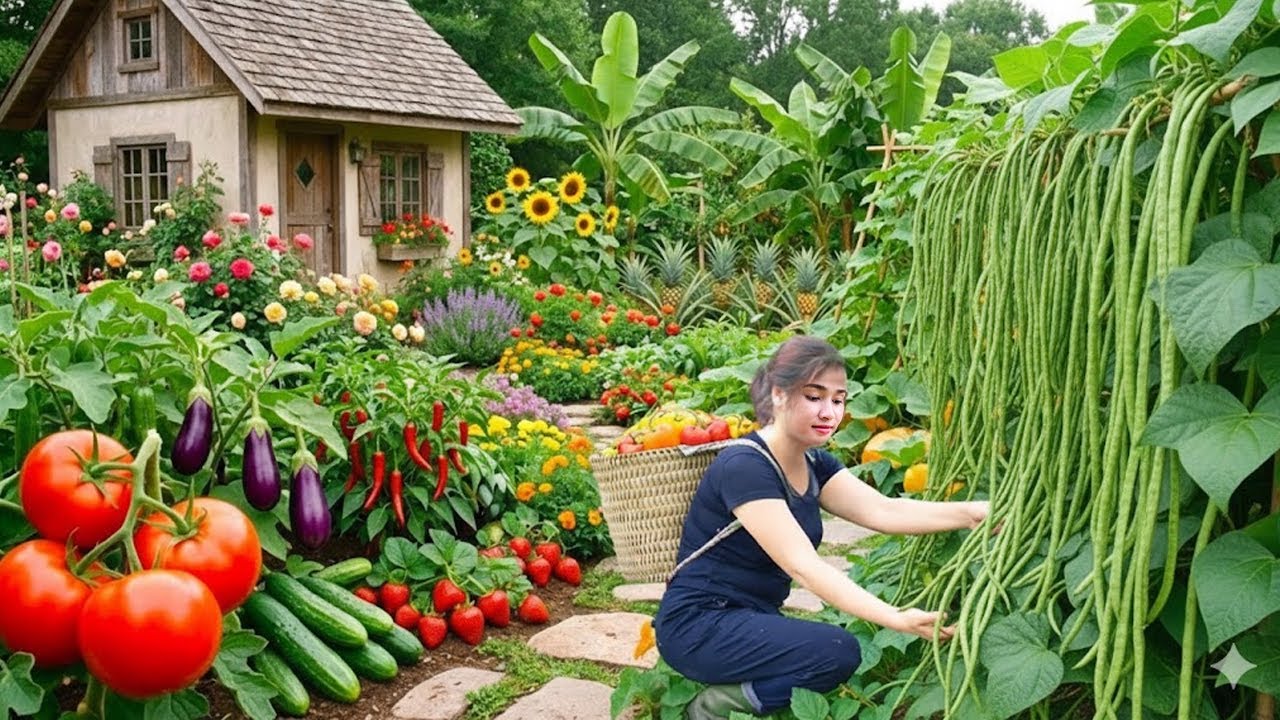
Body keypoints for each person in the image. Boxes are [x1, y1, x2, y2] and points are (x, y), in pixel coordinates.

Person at [652, 335, 991, 719]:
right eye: (814, 397)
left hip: (751, 616)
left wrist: (976, 513)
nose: (829, 411)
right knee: (834, 651)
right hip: (699, 624)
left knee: (827, 652)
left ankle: (736, 694)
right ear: (779, 394)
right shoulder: (745, 467)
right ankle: (713, 708)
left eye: (838, 399)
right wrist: (894, 617)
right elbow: (804, 566)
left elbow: (884, 511)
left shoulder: (814, 463)